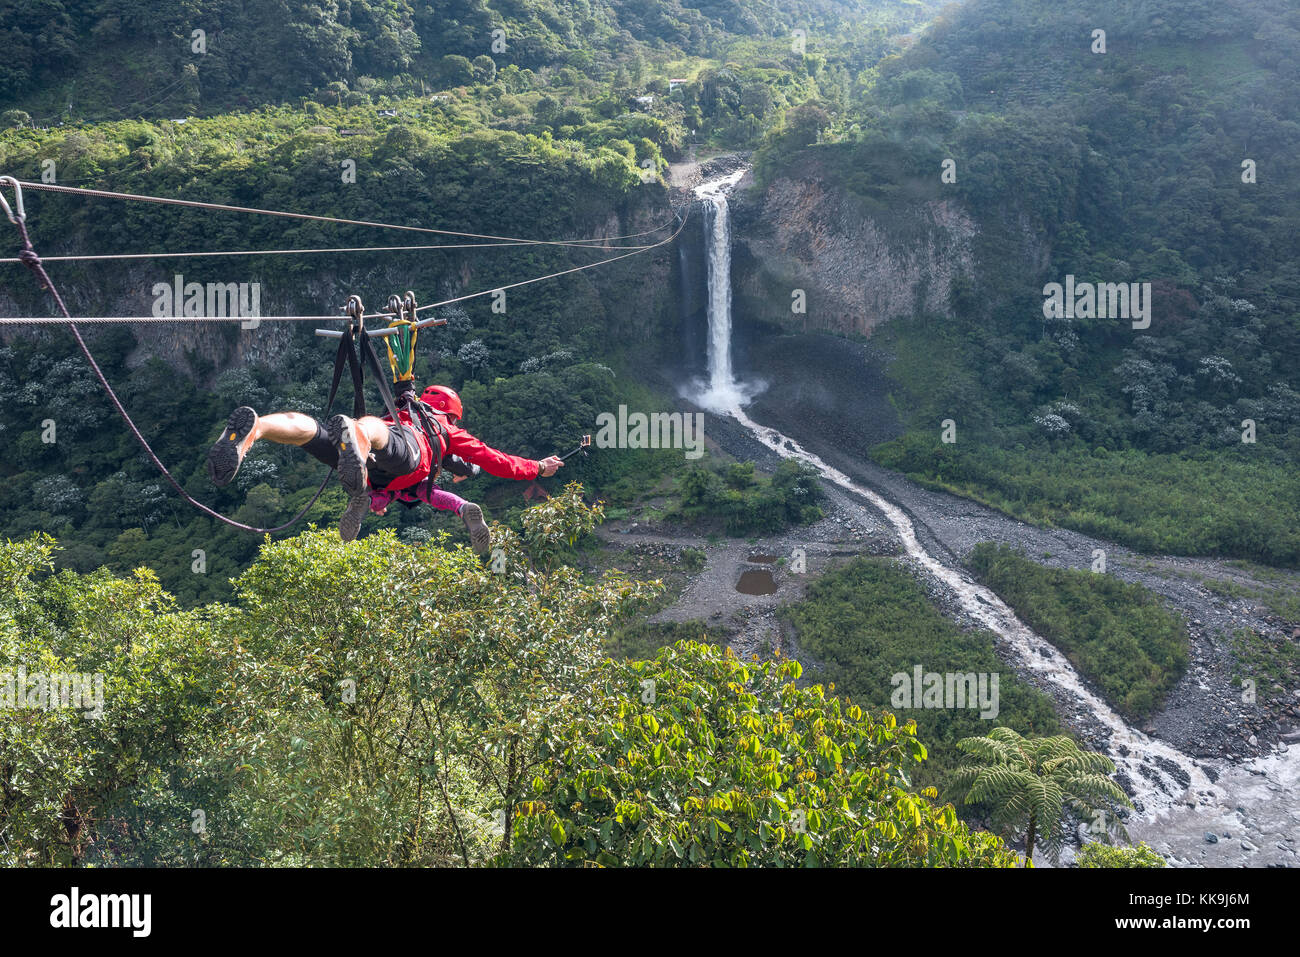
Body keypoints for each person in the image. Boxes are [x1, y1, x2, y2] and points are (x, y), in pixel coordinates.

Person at [206, 385, 563, 551]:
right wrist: (536, 468)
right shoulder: (444, 430)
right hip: (404, 461)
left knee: (313, 433)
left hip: (369, 466)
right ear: (451, 413)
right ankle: (358, 437)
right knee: (381, 435)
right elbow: (496, 460)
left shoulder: (401, 412)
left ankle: (259, 428)